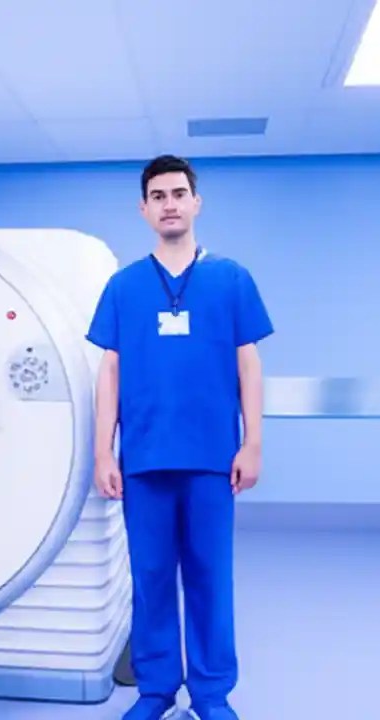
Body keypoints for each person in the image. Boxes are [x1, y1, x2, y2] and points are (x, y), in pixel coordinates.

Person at [86, 155, 273, 720]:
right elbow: (110, 372)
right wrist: (102, 450)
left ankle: (213, 696)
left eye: (179, 193)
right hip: (144, 460)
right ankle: (156, 690)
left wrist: (253, 442)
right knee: (150, 580)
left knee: (211, 578)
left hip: (212, 459)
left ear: (196, 202)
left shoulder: (231, 279)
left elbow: (249, 366)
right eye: (158, 195)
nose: (170, 203)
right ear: (143, 209)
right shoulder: (123, 287)